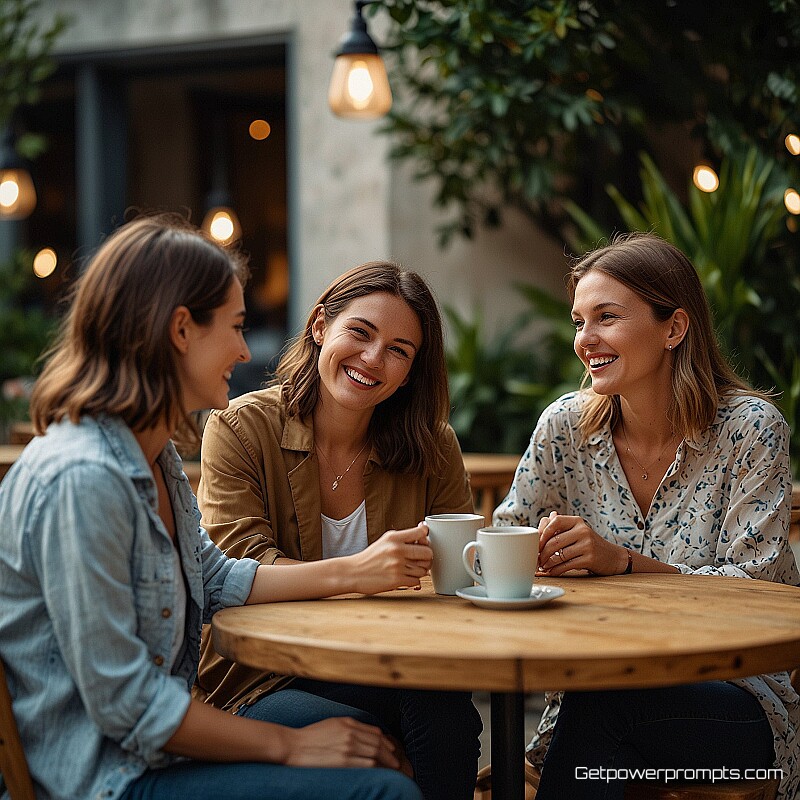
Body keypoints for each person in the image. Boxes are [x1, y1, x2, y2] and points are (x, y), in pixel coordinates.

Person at [0, 215, 428, 800]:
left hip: (155, 751)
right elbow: (129, 704)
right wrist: (292, 747)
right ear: (181, 330)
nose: (244, 349)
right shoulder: (83, 479)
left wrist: (354, 571)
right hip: (112, 779)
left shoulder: (155, 457)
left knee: (389, 728)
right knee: (382, 791)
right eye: (234, 325)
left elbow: (217, 575)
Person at [494, 232, 799, 800]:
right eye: (578, 320)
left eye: (606, 317)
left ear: (674, 328)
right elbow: (506, 538)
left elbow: (759, 590)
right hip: (593, 702)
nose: (586, 340)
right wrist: (534, 552)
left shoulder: (750, 431)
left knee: (605, 709)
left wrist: (622, 564)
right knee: (599, 718)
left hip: (736, 705)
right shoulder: (565, 428)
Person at [194, 261, 483, 800]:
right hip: (263, 675)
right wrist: (362, 572)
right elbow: (239, 568)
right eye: (360, 332)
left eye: (399, 350)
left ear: (411, 371)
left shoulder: (430, 444)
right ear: (320, 325)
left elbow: (460, 568)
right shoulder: (242, 427)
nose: (374, 359)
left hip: (390, 665)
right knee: (385, 740)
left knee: (448, 717)